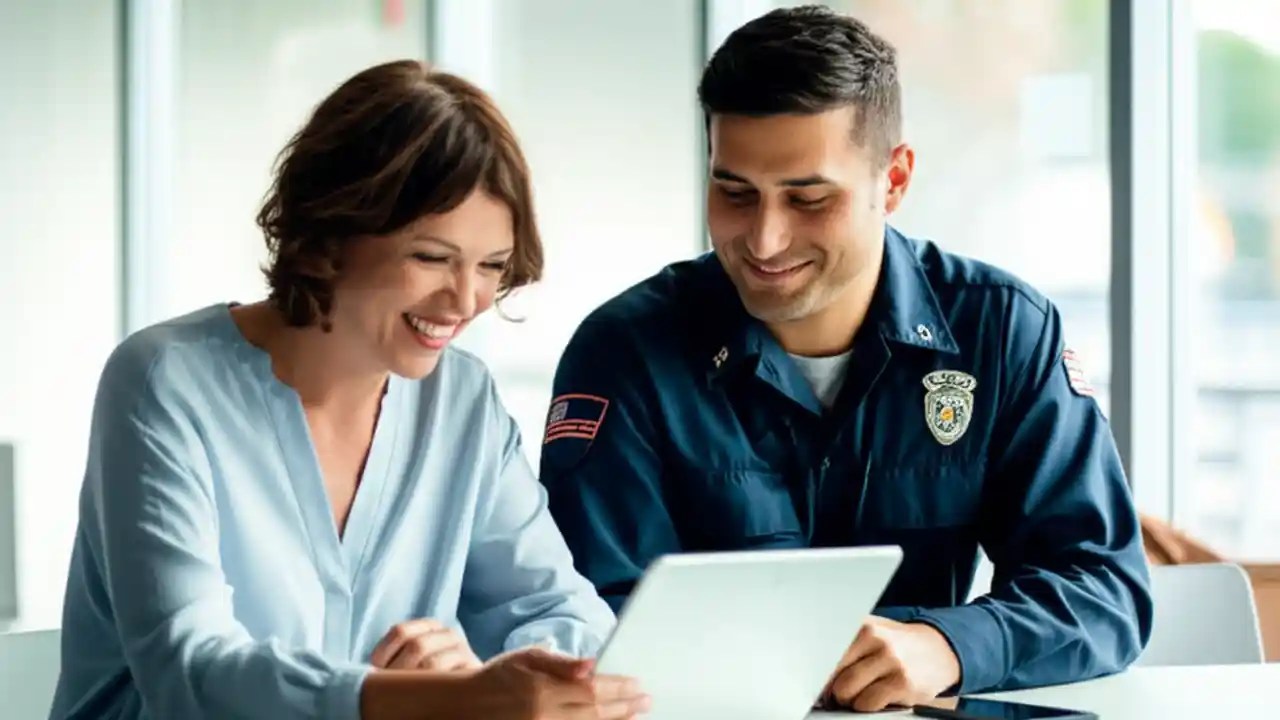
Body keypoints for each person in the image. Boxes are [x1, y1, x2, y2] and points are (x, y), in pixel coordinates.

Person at [538, 5, 1152, 713]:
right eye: (734, 192)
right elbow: (588, 620)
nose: (764, 240)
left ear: (893, 180)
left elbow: (1102, 589)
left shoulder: (1003, 332)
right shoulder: (623, 354)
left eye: (808, 198)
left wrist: (946, 646)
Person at [51, 60, 648, 720]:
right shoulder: (163, 382)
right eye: (431, 257)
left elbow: (563, 613)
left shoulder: (463, 403)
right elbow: (190, 669)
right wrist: (426, 700)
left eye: (491, 267)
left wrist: (480, 679)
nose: (465, 299)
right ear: (323, 242)